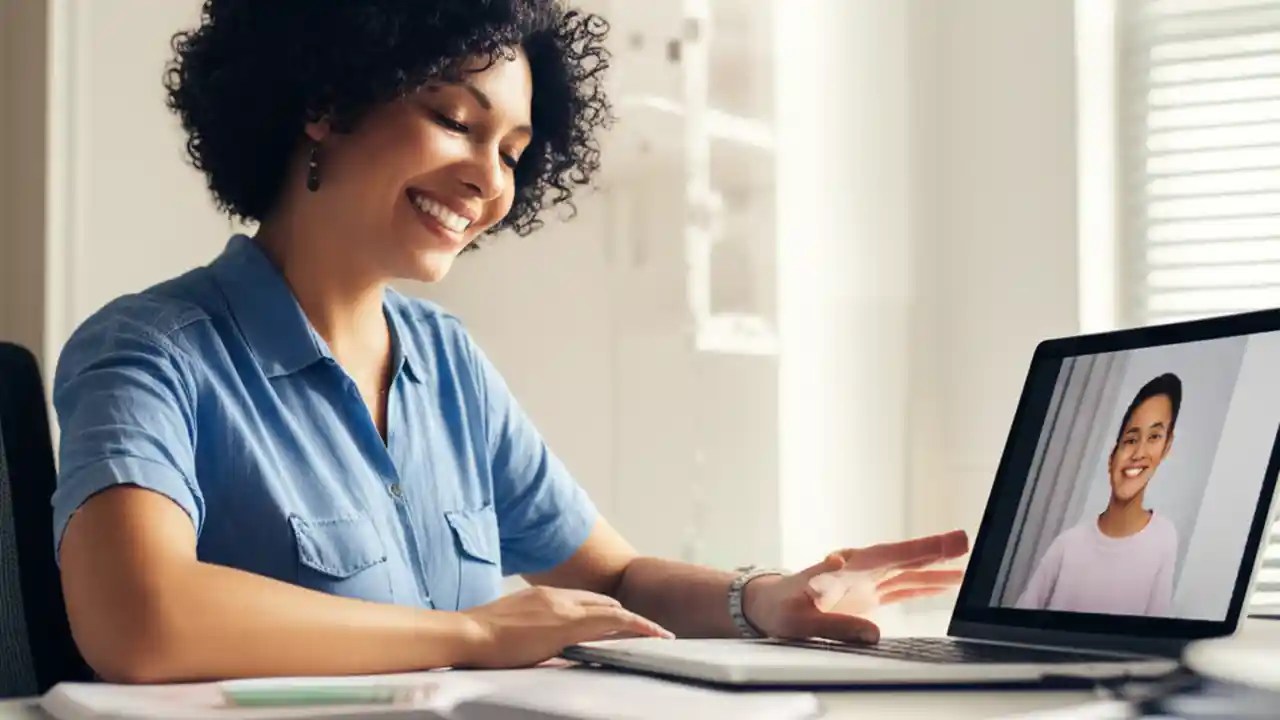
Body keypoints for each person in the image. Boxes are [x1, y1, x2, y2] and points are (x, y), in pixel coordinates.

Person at [52, 0, 967, 683]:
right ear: (328, 103)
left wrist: (759, 600)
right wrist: (478, 632)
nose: (490, 183)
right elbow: (139, 617)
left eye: (514, 151)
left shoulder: (446, 362)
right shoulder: (152, 351)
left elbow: (615, 577)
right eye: (457, 121)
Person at [1015, 373, 1182, 616]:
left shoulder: (1164, 537)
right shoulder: (1066, 545)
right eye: (1130, 439)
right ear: (1112, 458)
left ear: (1166, 447)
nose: (1138, 453)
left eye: (1154, 437)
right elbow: (1019, 621)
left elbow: (1156, 627)